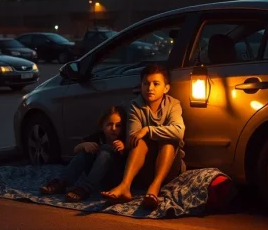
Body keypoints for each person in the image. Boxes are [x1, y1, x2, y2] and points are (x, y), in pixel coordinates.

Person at [101, 64, 185, 210]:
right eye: (146, 83)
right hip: (143, 167)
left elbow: (178, 131)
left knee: (168, 141)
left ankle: (154, 188)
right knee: (138, 141)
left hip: (168, 169)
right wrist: (142, 135)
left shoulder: (173, 104)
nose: (150, 88)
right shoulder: (135, 106)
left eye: (156, 84)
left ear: (166, 88)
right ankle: (125, 186)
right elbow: (132, 138)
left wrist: (147, 130)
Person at [40, 106, 127, 202]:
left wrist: (124, 147)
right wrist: (84, 145)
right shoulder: (98, 137)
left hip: (113, 179)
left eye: (118, 125)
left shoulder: (123, 140)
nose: (114, 128)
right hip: (95, 175)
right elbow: (75, 149)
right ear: (102, 126)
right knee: (86, 152)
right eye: (109, 124)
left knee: (106, 150)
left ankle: (85, 188)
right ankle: (61, 183)